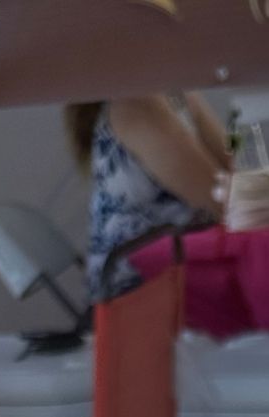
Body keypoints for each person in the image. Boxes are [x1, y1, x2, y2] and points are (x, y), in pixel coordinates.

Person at [65, 97, 229, 304]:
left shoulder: (177, 93)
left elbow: (235, 178)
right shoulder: (135, 107)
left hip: (180, 274)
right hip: (141, 300)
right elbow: (225, 203)